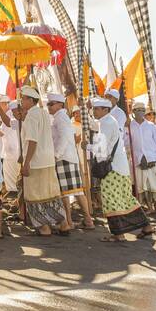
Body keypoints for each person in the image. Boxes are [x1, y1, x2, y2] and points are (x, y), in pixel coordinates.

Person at [90, 98, 155, 243]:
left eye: (97, 109)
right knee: (127, 199)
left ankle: (118, 234)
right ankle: (146, 226)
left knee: (110, 200)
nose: (94, 111)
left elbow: (101, 150)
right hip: (120, 168)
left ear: (105, 110)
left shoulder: (106, 123)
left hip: (112, 169)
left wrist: (87, 147)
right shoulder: (109, 121)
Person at [17, 85, 65, 236]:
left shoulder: (32, 115)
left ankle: (44, 228)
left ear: (30, 100)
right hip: (48, 159)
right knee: (50, 193)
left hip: (36, 161)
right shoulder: (44, 113)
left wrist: (26, 163)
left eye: (23, 99)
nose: (21, 102)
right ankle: (63, 224)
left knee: (35, 195)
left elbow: (32, 141)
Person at [50, 93, 94, 230]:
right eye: (48, 104)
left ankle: (69, 221)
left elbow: (64, 137)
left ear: (60, 105)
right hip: (68, 157)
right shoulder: (60, 117)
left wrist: (57, 155)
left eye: (51, 104)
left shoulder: (61, 117)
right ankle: (87, 220)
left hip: (64, 158)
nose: (49, 107)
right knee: (76, 191)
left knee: (66, 192)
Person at [128, 100, 156, 215]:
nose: (140, 112)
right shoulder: (129, 126)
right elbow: (127, 143)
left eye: (142, 110)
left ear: (144, 112)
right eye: (137, 110)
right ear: (133, 112)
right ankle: (150, 207)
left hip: (152, 158)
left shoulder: (152, 126)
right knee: (143, 186)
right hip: (138, 160)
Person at [0, 99, 24, 195]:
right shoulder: (14, 118)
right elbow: (6, 125)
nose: (13, 113)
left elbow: (7, 124)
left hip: (17, 153)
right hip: (11, 153)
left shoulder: (23, 119)